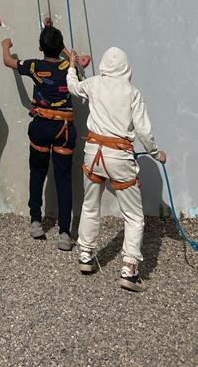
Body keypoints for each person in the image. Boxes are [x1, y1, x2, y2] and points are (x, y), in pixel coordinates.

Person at [67, 46, 167, 292]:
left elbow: (72, 86)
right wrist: (156, 154)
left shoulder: (93, 84)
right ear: (125, 68)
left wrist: (71, 65)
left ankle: (86, 255)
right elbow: (144, 131)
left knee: (90, 205)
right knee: (133, 215)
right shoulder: (132, 93)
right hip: (119, 156)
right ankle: (129, 270)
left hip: (93, 153)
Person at [1, 28, 90, 251]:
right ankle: (64, 233)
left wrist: (5, 45)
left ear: (41, 48)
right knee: (64, 179)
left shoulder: (34, 66)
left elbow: (8, 61)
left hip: (41, 125)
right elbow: (79, 69)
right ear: (60, 48)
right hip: (64, 128)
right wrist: (68, 53)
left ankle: (35, 221)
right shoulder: (69, 68)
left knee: (37, 173)